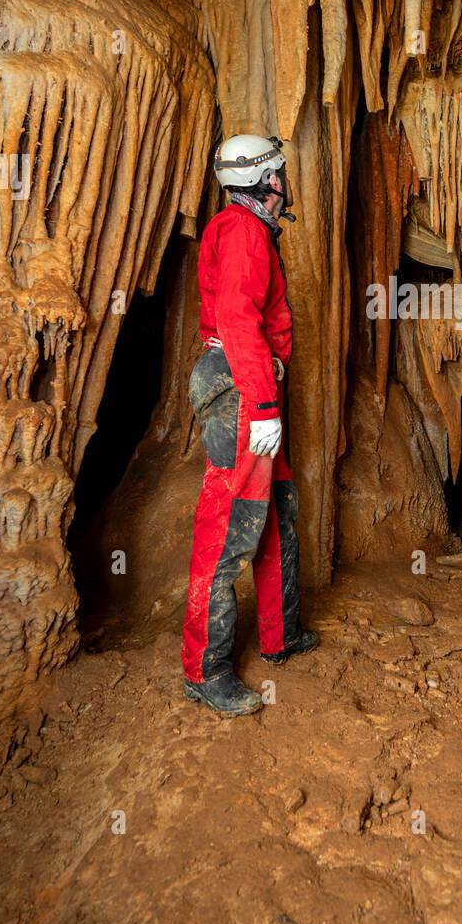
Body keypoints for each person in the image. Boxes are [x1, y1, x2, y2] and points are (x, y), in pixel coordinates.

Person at [181, 133, 318, 716]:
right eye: (280, 174)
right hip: (243, 390)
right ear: (264, 181)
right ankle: (205, 670)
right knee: (231, 524)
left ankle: (278, 635)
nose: (286, 183)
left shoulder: (252, 230)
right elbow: (238, 319)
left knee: (275, 514)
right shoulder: (241, 232)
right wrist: (261, 407)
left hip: (258, 381)